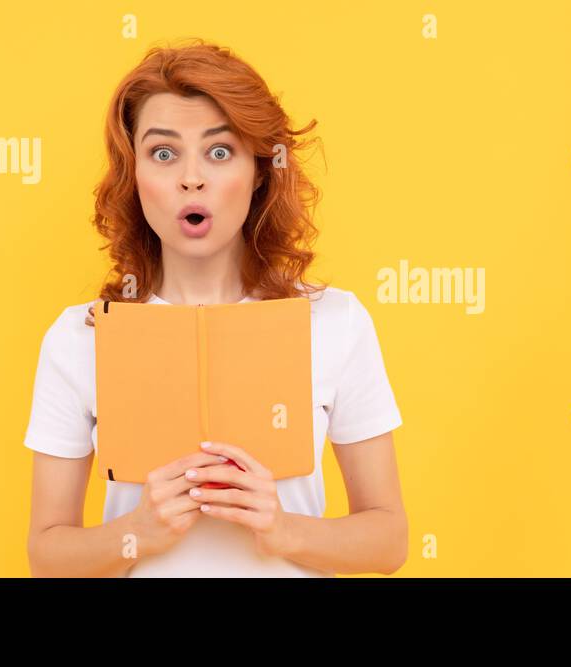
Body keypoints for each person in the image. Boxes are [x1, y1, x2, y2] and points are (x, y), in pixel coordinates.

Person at [23, 40, 406, 577]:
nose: (191, 178)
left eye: (219, 151)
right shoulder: (79, 337)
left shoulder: (335, 323)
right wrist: (137, 533)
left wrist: (283, 529)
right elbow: (47, 556)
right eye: (163, 153)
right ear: (134, 176)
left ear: (259, 171)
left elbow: (388, 541)